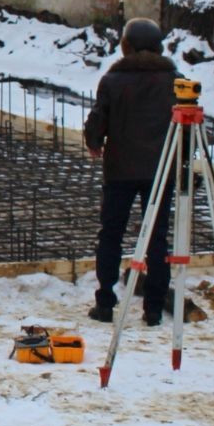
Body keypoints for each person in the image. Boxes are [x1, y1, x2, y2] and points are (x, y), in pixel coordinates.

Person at [83, 18, 179, 326]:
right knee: (157, 237)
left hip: (120, 171)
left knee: (111, 234)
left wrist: (94, 142)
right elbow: (185, 126)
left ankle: (105, 303)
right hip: (160, 172)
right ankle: (154, 308)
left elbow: (98, 119)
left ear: (126, 46)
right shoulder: (175, 81)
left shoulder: (113, 81)